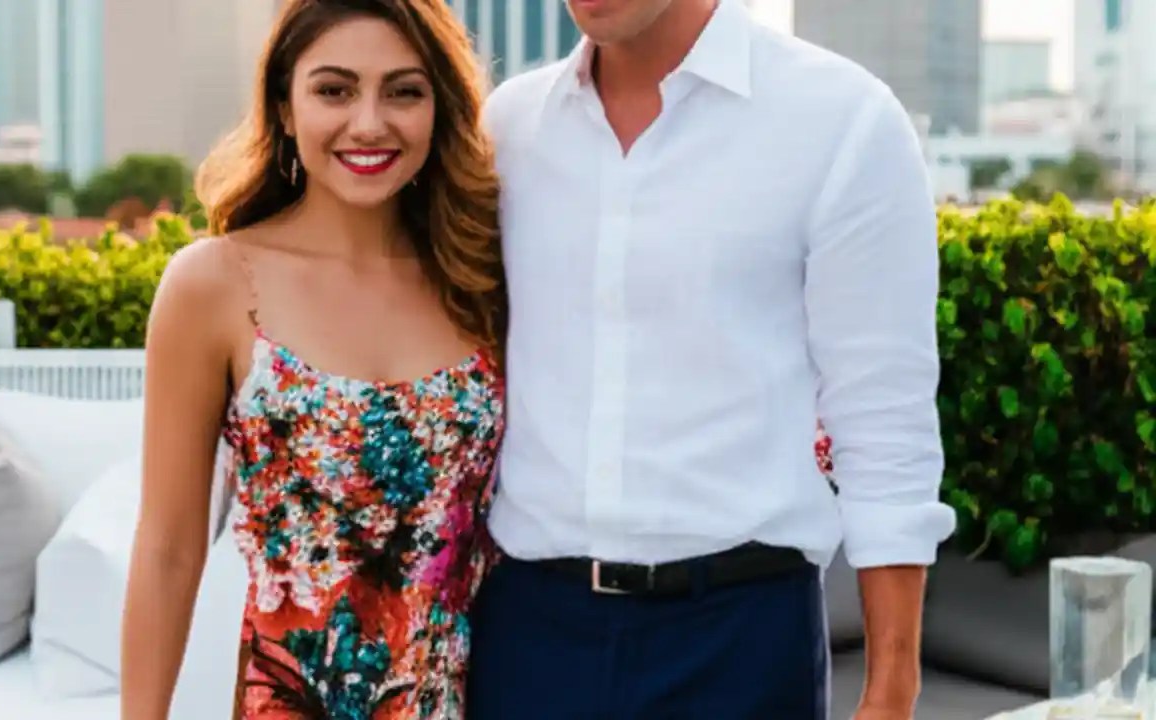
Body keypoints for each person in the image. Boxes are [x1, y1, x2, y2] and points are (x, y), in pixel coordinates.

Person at [468, 0, 957, 718]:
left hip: (741, 644)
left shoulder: (842, 120)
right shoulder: (506, 128)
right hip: (529, 636)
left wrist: (891, 689)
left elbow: (885, 418)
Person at [119, 1, 505, 718]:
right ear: (285, 109)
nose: (369, 122)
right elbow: (169, 547)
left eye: (404, 91)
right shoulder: (215, 284)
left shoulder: (482, 279)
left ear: (439, 109)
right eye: (334, 89)